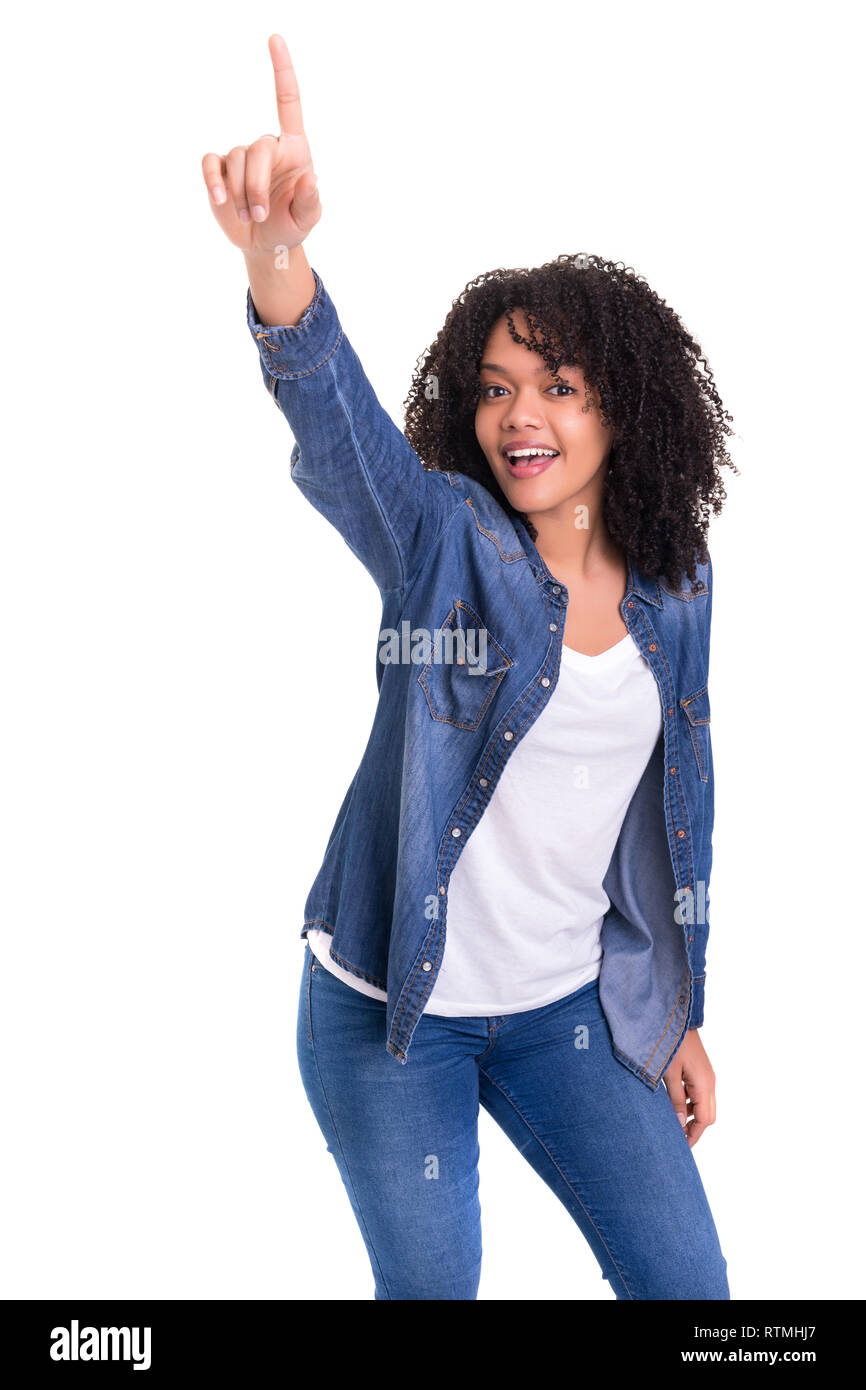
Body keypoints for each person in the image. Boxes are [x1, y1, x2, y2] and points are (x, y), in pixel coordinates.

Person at [202, 33, 737, 1301]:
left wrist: (676, 1010)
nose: (519, 416)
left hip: (567, 1015)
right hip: (392, 1016)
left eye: (557, 384)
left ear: (627, 408)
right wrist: (278, 258)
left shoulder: (679, 585)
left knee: (696, 1299)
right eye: (497, 388)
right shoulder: (443, 539)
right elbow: (338, 439)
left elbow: (662, 825)